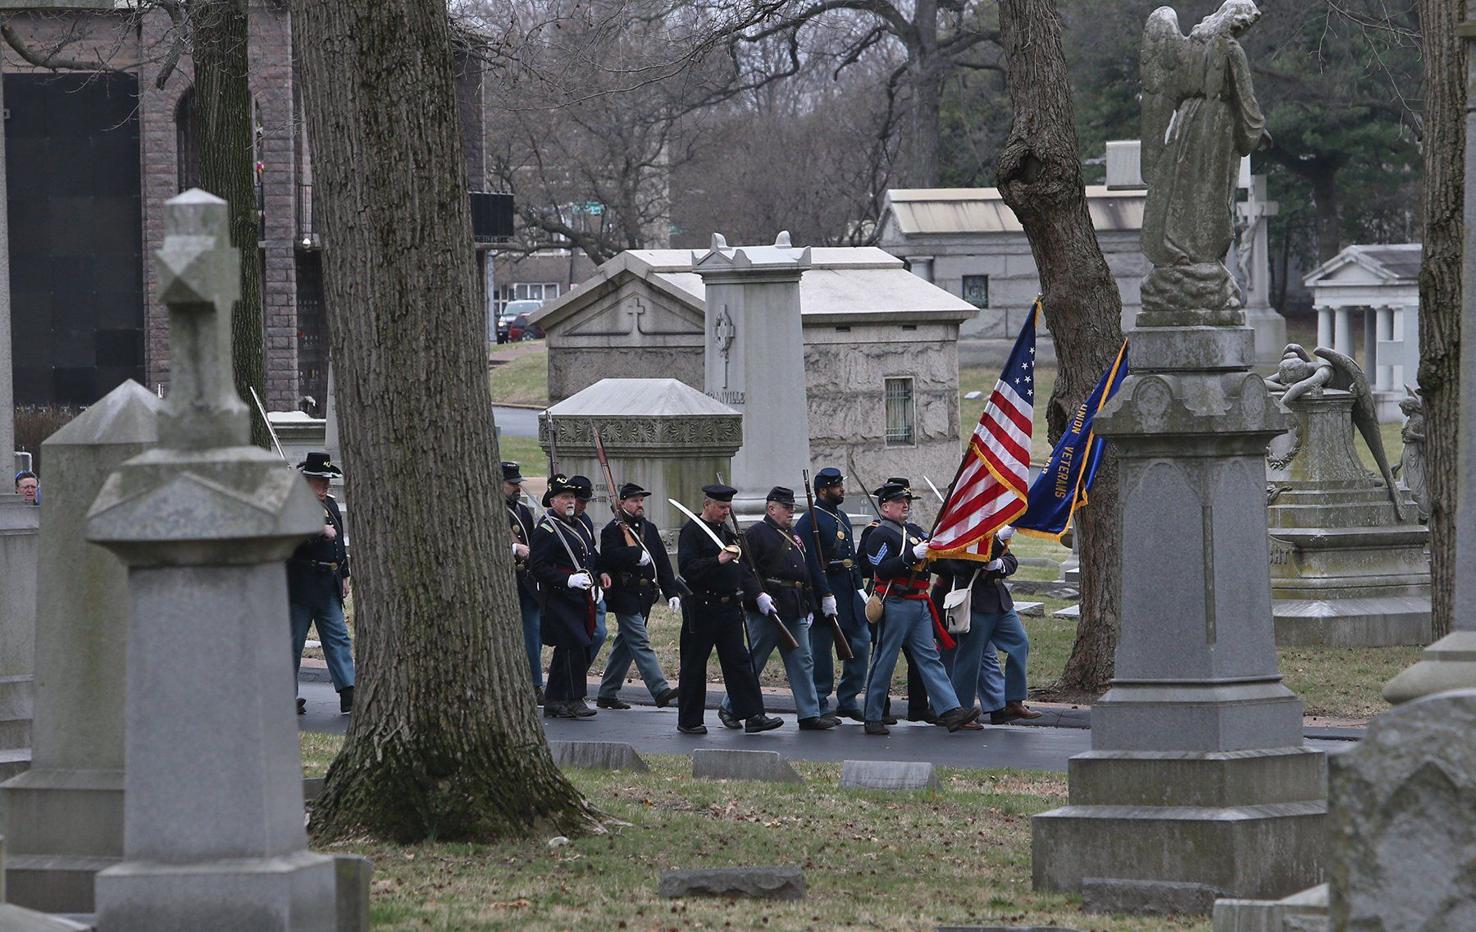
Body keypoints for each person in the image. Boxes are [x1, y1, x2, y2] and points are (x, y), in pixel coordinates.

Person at [859, 478, 979, 735]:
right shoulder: (878, 534)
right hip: (895, 602)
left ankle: (950, 710)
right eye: (899, 501)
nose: (905, 505)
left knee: (929, 658)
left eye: (907, 501)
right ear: (884, 508)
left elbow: (936, 561)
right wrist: (911, 556)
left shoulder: (915, 531)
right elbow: (880, 568)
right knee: (885, 659)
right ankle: (873, 715)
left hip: (919, 603)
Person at [718, 486, 836, 731]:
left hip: (795, 606)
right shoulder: (757, 534)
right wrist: (758, 596)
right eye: (786, 508)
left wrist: (811, 604)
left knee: (803, 661)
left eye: (792, 508)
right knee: (755, 660)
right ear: (771, 508)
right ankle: (729, 706)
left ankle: (809, 713)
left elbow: (804, 573)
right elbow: (745, 570)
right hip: (769, 607)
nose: (791, 512)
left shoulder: (793, 535)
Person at [675, 483, 782, 735]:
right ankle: (689, 720)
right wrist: (717, 560)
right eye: (721, 507)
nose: (725, 512)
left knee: (740, 663)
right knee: (694, 665)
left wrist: (757, 594)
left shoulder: (726, 532)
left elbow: (741, 569)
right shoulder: (692, 532)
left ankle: (753, 715)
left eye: (728, 507)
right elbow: (688, 568)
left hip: (729, 608)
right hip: (701, 608)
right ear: (707, 505)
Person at [933, 526, 1042, 727]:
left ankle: (1013, 700)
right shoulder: (962, 531)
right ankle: (962, 710)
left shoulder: (989, 527)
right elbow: (961, 564)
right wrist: (998, 540)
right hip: (975, 602)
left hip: (1000, 601)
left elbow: (1011, 560)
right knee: (970, 658)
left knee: (1020, 642)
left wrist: (1000, 564)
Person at [794, 467, 871, 721]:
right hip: (825, 592)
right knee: (822, 651)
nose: (842, 489)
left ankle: (848, 699)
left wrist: (860, 588)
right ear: (823, 490)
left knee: (861, 644)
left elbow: (851, 556)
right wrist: (824, 595)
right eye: (837, 486)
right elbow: (811, 562)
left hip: (848, 590)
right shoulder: (809, 521)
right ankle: (819, 701)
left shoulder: (841, 517)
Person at [596, 482, 681, 710]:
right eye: (634, 501)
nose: (639, 504)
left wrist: (671, 592)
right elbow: (608, 558)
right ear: (622, 503)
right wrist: (634, 554)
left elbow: (661, 563)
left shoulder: (649, 529)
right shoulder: (612, 530)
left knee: (625, 645)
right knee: (641, 642)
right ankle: (660, 689)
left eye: (641, 500)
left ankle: (607, 693)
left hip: (644, 596)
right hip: (624, 595)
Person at [288, 452, 355, 715]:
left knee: (338, 637)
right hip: (300, 585)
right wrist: (318, 530)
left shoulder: (329, 504)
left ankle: (348, 691)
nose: (325, 487)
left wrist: (345, 573)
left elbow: (338, 542)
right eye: (319, 482)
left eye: (327, 481)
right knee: (292, 644)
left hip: (328, 583)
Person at [530, 474, 601, 719]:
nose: (571, 501)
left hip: (580, 595)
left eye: (572, 496)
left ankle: (553, 699)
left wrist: (594, 581)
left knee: (567, 648)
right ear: (553, 501)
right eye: (565, 497)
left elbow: (590, 556)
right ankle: (573, 698)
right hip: (557, 596)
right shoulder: (547, 528)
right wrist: (567, 580)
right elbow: (538, 566)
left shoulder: (578, 523)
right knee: (575, 645)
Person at [503, 461, 543, 703]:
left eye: (518, 484)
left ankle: (534, 683)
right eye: (511, 484)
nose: (517, 488)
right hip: (506, 583)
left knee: (532, 633)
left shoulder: (523, 511)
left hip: (526, 582)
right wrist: (513, 547)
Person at [568, 475, 610, 666]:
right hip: (570, 588)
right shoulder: (553, 521)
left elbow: (591, 552)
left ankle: (579, 674)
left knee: (599, 633)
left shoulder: (584, 520)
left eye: (585, 501)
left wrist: (601, 571)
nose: (583, 506)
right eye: (580, 501)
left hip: (591, 587)